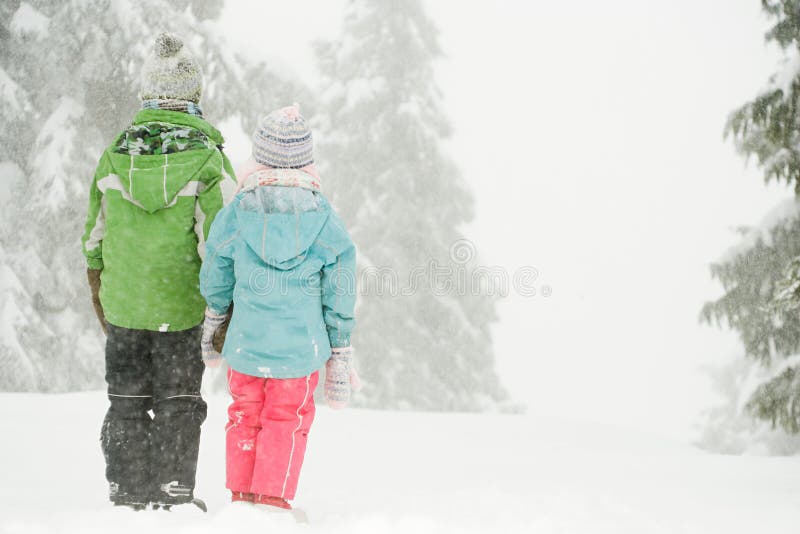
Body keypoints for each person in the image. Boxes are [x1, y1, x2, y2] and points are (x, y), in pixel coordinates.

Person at [81, 32, 237, 511]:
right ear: (194, 97)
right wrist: (225, 304)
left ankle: (128, 491)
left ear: (149, 94)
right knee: (179, 403)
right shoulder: (209, 162)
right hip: (181, 307)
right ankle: (172, 490)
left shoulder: (114, 155)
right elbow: (223, 243)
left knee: (125, 401)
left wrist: (98, 284)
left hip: (124, 305)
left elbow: (95, 234)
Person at [199, 104, 359, 511]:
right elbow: (339, 288)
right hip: (299, 351)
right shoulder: (323, 218)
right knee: (286, 422)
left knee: (244, 415)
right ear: (307, 162)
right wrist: (338, 345)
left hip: (246, 345)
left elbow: (215, 266)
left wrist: (215, 316)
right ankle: (271, 502)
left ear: (259, 159)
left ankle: (240, 499)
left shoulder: (238, 211)